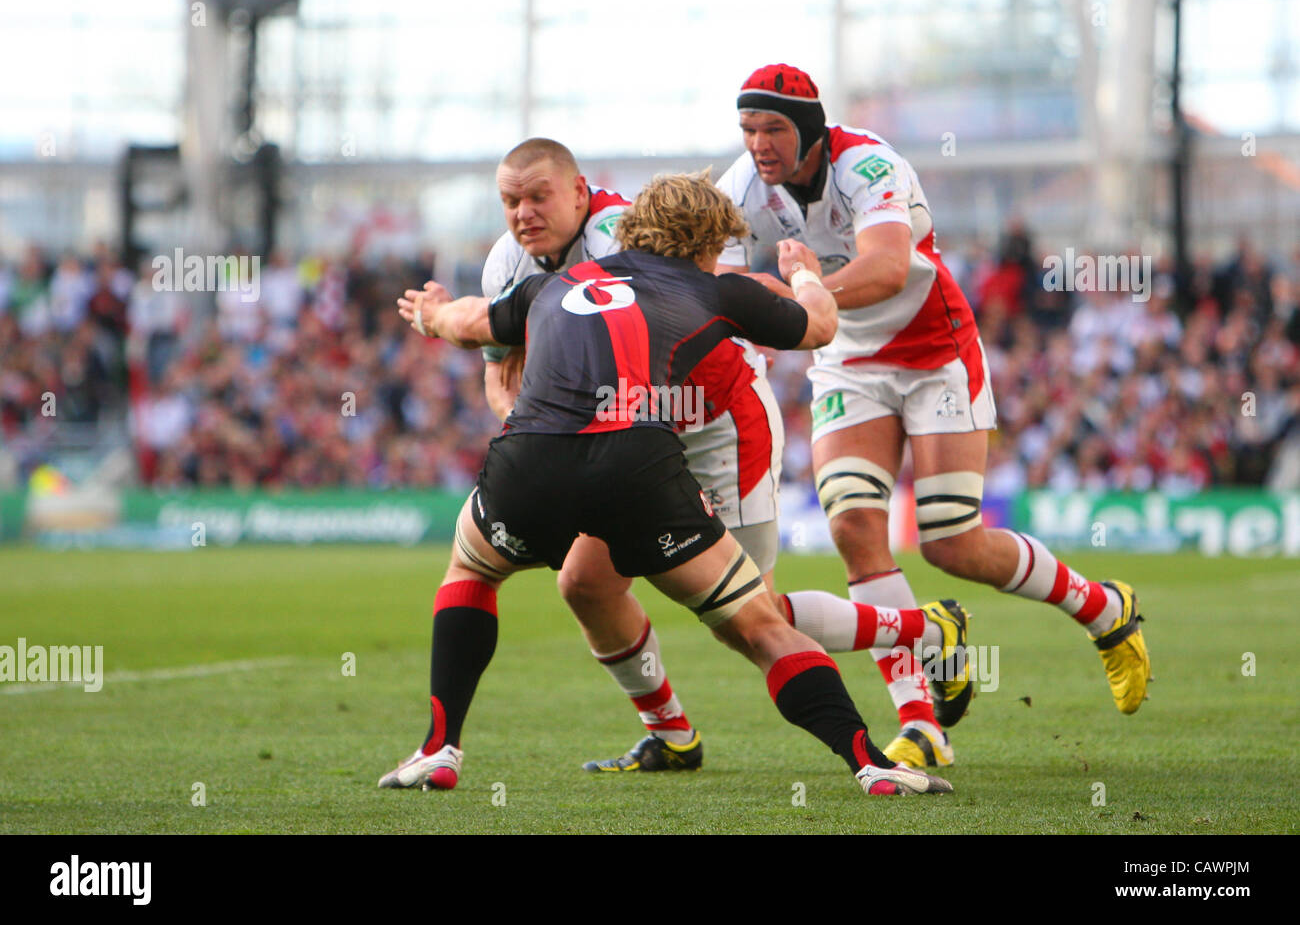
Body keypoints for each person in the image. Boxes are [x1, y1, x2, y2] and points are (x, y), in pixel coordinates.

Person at [381, 172, 953, 796]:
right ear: (713, 243)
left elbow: (471, 324)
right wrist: (806, 272)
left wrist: (433, 314)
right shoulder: (719, 289)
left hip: (558, 453)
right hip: (642, 462)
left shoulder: (548, 283)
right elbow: (818, 327)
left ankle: (439, 750)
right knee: (755, 623)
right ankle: (869, 762)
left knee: (471, 573)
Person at [715, 64, 1150, 769]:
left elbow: (887, 267)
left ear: (812, 132)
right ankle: (920, 723)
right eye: (748, 129)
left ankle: (1105, 607)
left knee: (952, 542)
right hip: (847, 359)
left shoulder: (869, 163)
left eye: (773, 129)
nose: (759, 144)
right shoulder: (741, 189)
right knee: (855, 525)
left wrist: (802, 286)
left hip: (932, 352)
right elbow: (721, 281)